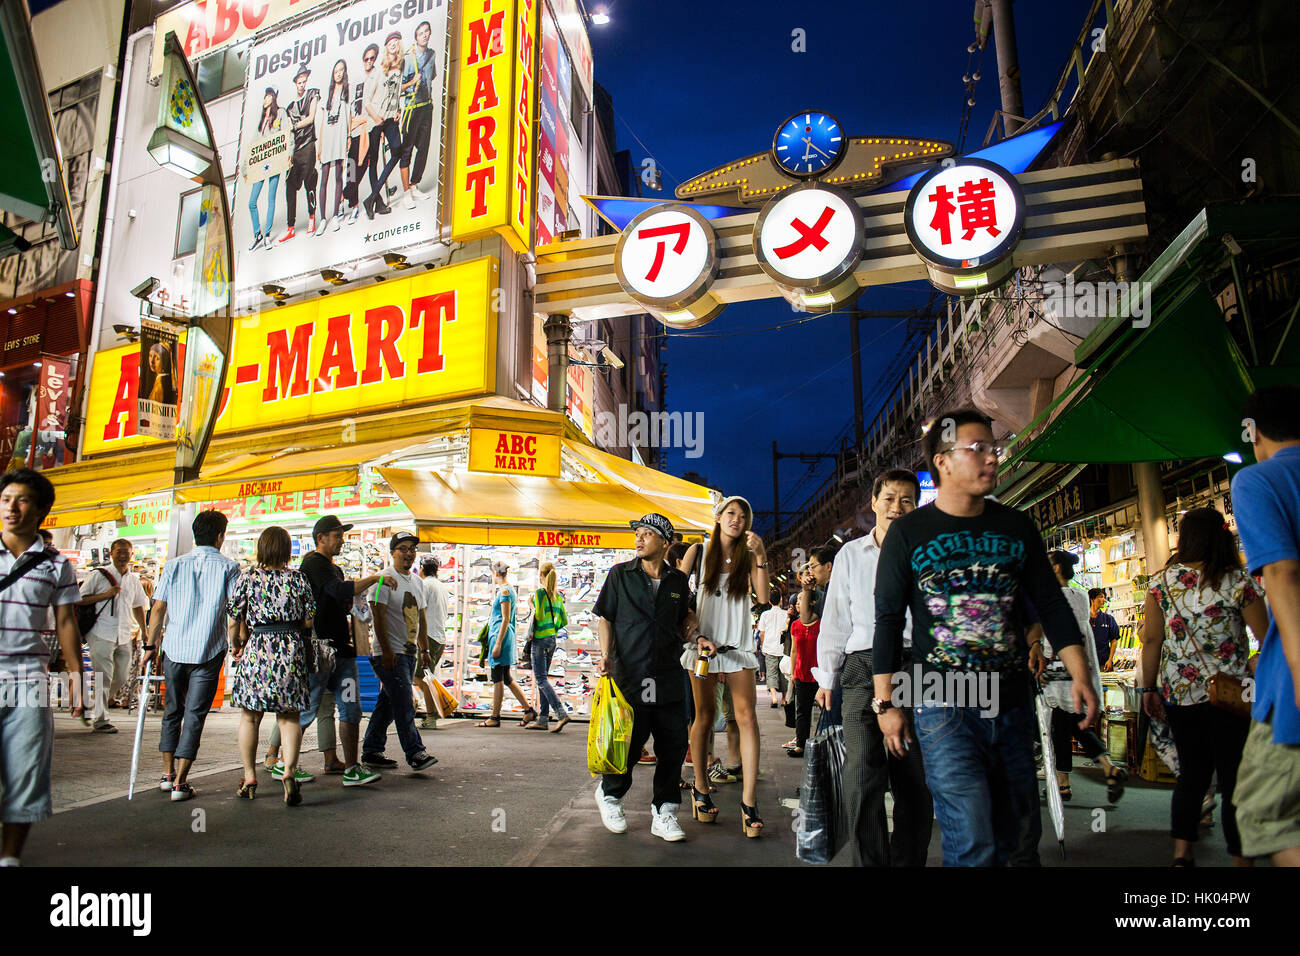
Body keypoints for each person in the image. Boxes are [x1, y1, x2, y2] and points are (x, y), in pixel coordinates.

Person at [873, 408, 1099, 866]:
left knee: (1018, 843)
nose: (992, 459)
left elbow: (1052, 605)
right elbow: (889, 621)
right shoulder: (909, 534)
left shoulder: (1015, 527)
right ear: (942, 461)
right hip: (941, 702)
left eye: (993, 449)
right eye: (977, 449)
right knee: (973, 840)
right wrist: (886, 704)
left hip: (1011, 702)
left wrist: (1080, 674)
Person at [814, 468, 933, 867]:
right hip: (861, 666)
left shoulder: (926, 552)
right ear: (874, 503)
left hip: (914, 665)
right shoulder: (850, 554)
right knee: (862, 776)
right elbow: (835, 620)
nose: (896, 508)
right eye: (889, 499)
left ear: (916, 505)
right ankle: (871, 861)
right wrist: (827, 677)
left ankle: (908, 859)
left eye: (906, 500)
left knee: (914, 778)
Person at [1139, 507, 1270, 866]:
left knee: (1192, 775)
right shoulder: (1239, 582)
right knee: (1235, 776)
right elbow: (1266, 638)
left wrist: (1148, 689)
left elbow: (1152, 641)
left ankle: (1183, 853)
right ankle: (1241, 858)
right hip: (1234, 694)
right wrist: (1256, 664)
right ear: (1222, 536)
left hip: (1181, 692)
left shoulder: (1161, 583)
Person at [594, 513, 697, 842]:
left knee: (673, 745)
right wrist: (606, 654)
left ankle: (665, 811)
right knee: (629, 743)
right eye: (637, 534)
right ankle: (610, 795)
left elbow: (684, 619)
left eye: (647, 534)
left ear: (665, 543)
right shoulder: (620, 575)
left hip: (667, 674)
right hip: (631, 674)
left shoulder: (677, 583)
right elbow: (605, 618)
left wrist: (697, 635)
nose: (638, 539)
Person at [0, 469, 84, 866]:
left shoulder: (56, 566)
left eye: (22, 500)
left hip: (28, 682)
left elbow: (66, 622)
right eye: (5, 499)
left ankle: (9, 858)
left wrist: (77, 678)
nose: (11, 508)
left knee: (26, 770)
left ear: (41, 511)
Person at [1232, 385, 1300, 866]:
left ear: (1253, 432)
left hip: (1288, 684)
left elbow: (1280, 571)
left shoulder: (1256, 482)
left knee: (1265, 813)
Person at [680, 496, 770, 838]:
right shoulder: (698, 552)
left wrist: (761, 556)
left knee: (747, 717)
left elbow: (762, 599)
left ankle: (749, 802)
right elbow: (676, 594)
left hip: (737, 648)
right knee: (703, 717)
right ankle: (700, 788)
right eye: (731, 513)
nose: (737, 519)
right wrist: (691, 631)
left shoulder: (748, 557)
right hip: (702, 646)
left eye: (743, 515)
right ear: (718, 517)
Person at [141, 510, 241, 802]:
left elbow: (158, 610)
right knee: (195, 714)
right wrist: (235, 642)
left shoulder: (173, 565)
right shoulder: (229, 567)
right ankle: (180, 782)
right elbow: (234, 614)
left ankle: (166, 773)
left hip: (174, 649)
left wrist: (150, 646)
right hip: (208, 651)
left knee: (172, 711)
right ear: (221, 536)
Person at [290, 515, 384, 786]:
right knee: (308, 709)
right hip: (321, 650)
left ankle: (352, 767)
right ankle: (287, 764)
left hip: (342, 652)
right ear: (321, 538)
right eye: (337, 535)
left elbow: (340, 597)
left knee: (350, 708)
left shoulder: (333, 567)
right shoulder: (313, 565)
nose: (342, 539)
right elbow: (337, 590)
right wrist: (374, 578)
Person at [228, 526, 316, 806]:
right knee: (289, 717)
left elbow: (233, 616)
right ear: (288, 550)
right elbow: (309, 618)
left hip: (258, 646)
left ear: (262, 548)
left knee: (250, 716)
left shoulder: (249, 578)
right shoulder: (299, 578)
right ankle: (288, 771)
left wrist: (236, 643)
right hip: (290, 649)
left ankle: (250, 775)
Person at [1043, 551, 1127, 803]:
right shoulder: (1080, 596)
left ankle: (1065, 782)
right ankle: (1106, 768)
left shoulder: (1049, 597)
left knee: (1061, 723)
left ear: (1056, 568)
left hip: (1058, 667)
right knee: (1074, 723)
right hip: (1080, 667)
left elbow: (1050, 637)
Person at [361, 531, 438, 772]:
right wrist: (385, 650)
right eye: (403, 549)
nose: (408, 553)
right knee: (405, 702)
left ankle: (372, 749)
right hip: (388, 652)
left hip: (409, 652)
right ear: (392, 552)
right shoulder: (384, 578)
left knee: (389, 702)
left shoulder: (417, 582)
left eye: (412, 549)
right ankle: (415, 752)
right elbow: (377, 614)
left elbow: (421, 617)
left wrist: (424, 649)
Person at [76, 538, 147, 734]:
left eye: (127, 551)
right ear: (112, 553)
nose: (123, 555)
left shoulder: (133, 580)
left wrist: (145, 631)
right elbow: (80, 599)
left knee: (122, 676)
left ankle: (100, 701)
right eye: (119, 551)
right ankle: (101, 720)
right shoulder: (98, 575)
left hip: (124, 634)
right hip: (100, 632)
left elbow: (138, 606)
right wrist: (106, 595)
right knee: (103, 677)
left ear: (132, 555)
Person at [476, 561, 534, 727]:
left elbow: (506, 618)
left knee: (497, 677)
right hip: (502, 635)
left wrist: (498, 643)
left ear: (495, 573)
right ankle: (528, 710)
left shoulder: (505, 591)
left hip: (500, 636)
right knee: (506, 677)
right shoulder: (506, 590)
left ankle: (495, 717)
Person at [524, 562, 571, 732]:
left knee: (541, 680)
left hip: (539, 639)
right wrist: (553, 627)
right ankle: (543, 719)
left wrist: (531, 605)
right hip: (552, 639)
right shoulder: (557, 596)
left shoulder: (539, 593)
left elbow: (539, 614)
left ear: (541, 576)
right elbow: (564, 620)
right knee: (543, 679)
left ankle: (561, 713)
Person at [363, 32, 404, 219]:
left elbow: (396, 95)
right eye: (390, 41)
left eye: (396, 41)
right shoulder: (379, 69)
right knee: (374, 161)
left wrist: (399, 110)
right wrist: (376, 117)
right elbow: (366, 100)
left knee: (397, 150)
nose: (393, 43)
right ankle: (377, 203)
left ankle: (371, 198)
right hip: (375, 119)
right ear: (386, 47)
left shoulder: (399, 68)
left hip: (389, 118)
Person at [398, 20, 436, 209]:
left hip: (426, 107)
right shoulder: (407, 58)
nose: (425, 35)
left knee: (424, 147)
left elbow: (432, 78)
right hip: (412, 108)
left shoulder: (432, 54)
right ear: (416, 37)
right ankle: (406, 192)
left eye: (427, 32)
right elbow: (399, 87)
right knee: (407, 150)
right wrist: (413, 81)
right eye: (421, 33)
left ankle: (414, 185)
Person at [279, 64, 319, 242]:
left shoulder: (313, 94)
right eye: (299, 82)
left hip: (308, 145)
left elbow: (311, 118)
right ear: (295, 83)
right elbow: (288, 132)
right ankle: (290, 226)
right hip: (296, 149)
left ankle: (312, 217)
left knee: (310, 180)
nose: (302, 84)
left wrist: (294, 126)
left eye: (304, 81)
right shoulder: (289, 107)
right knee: (290, 185)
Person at [315, 59, 351, 233]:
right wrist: (320, 145)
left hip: (340, 138)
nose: (339, 73)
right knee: (324, 179)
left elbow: (349, 114)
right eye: (336, 70)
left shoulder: (346, 91)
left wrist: (349, 136)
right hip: (328, 138)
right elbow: (322, 122)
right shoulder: (328, 93)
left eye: (341, 70)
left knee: (338, 177)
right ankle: (323, 219)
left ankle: (335, 215)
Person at [247, 87, 283, 249]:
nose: (266, 99)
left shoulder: (280, 114)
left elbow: (285, 134)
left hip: (274, 160)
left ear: (273, 98)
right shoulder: (261, 122)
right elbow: (253, 145)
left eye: (269, 96)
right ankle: (258, 234)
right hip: (261, 163)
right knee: (252, 202)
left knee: (271, 198)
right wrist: (245, 168)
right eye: (265, 97)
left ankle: (267, 235)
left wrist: (288, 155)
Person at [349, 43, 380, 223]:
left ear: (375, 59)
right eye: (366, 58)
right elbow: (353, 105)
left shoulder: (378, 77)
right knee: (353, 166)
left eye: (371, 58)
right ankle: (352, 204)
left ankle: (349, 193)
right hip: (356, 128)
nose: (369, 61)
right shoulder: (357, 80)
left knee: (367, 165)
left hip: (371, 127)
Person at [788, 579, 819, 757]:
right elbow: (793, 651)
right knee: (802, 712)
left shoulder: (822, 623)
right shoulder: (795, 625)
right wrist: (793, 673)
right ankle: (801, 744)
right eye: (798, 600)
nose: (798, 603)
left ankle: (823, 742)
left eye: (802, 599)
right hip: (802, 673)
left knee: (825, 710)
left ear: (812, 602)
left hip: (819, 673)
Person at [757, 588, 787, 708]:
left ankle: (774, 698)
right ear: (780, 601)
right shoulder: (785, 614)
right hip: (783, 648)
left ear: (769, 602)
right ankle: (784, 699)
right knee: (784, 673)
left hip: (769, 648)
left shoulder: (765, 615)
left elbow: (762, 633)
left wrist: (763, 646)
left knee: (771, 673)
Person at [1088, 588, 1119, 671]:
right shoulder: (1083, 619)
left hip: (1104, 663)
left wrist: (1110, 660)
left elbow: (1114, 641)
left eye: (1104, 597)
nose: (1104, 600)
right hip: (1087, 663)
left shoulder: (1108, 619)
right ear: (1092, 599)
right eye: (1101, 597)